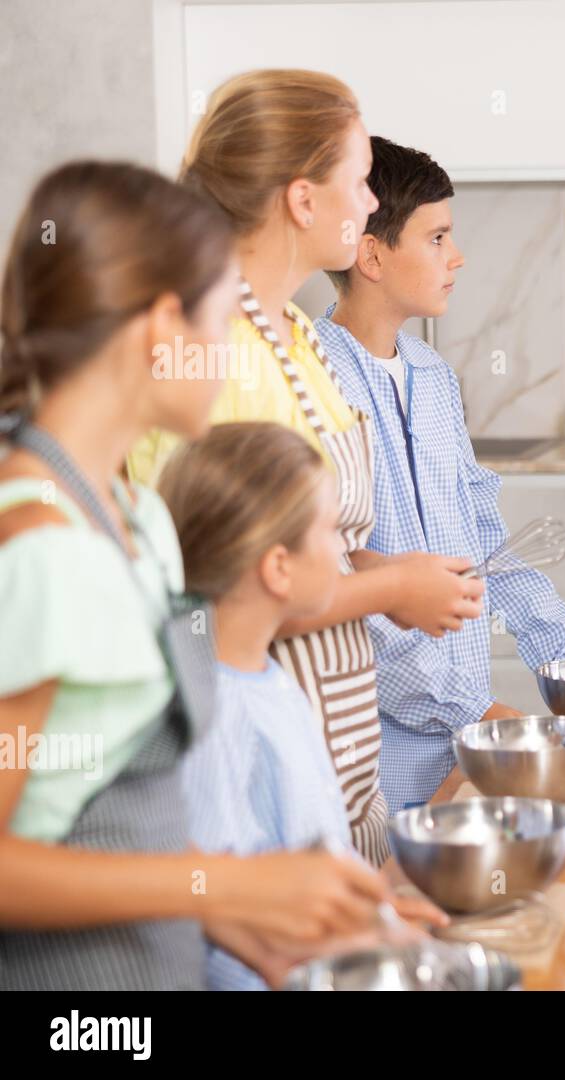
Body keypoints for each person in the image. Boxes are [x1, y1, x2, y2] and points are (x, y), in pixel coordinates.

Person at [0, 161, 385, 990]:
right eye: (221, 323)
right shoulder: (39, 549)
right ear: (163, 327)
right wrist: (232, 882)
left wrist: (258, 923)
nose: (227, 353)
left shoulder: (132, 520)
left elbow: (120, 819)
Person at [128, 70, 485, 863]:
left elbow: (313, 541)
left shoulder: (291, 333)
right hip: (249, 753)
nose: (366, 207)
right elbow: (217, 608)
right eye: (358, 182)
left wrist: (387, 566)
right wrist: (391, 589)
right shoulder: (214, 355)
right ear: (301, 199)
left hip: (332, 738)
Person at [314, 136, 565, 808]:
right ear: (371, 253)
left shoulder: (434, 379)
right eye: (436, 237)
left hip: (459, 737)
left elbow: (493, 546)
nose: (456, 257)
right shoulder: (315, 381)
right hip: (373, 750)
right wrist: (479, 712)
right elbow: (339, 584)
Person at [158, 422, 448, 989]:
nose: (345, 550)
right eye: (331, 532)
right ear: (278, 568)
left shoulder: (266, 679)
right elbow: (222, 928)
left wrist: (371, 921)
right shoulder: (216, 716)